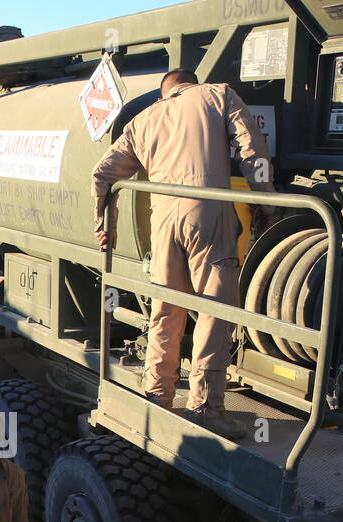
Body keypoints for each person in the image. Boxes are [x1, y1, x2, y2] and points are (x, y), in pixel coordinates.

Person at [91, 69, 276, 440]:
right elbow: (250, 145)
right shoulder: (217, 94)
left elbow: (103, 173)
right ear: (192, 83)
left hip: (162, 223)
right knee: (214, 310)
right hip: (207, 214)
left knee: (165, 310)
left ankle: (157, 396)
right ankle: (205, 408)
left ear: (165, 93)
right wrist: (265, 196)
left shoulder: (144, 119)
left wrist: (105, 223)